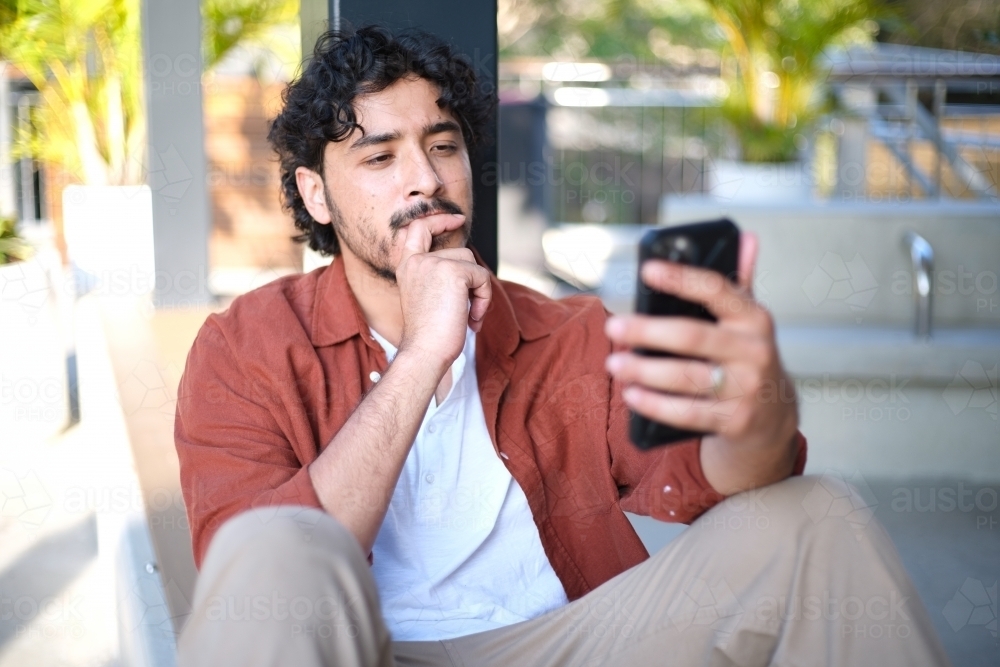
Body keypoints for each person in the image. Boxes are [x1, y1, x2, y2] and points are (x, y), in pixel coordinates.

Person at [173, 25, 950, 667]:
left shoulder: (564, 334)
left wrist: (755, 415)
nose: (424, 180)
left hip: (565, 646)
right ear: (316, 192)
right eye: (379, 157)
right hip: (369, 650)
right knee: (271, 540)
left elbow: (703, 476)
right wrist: (421, 358)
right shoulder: (246, 348)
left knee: (814, 513)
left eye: (442, 147)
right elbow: (255, 581)